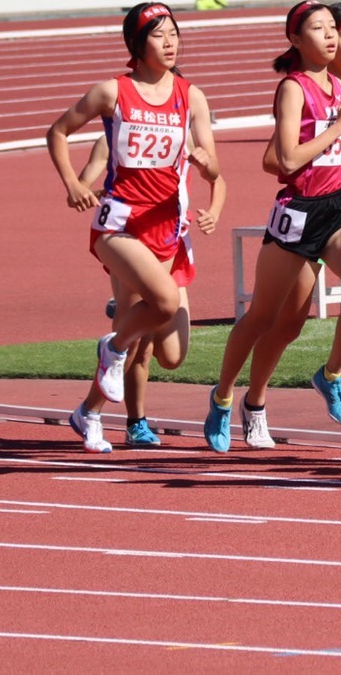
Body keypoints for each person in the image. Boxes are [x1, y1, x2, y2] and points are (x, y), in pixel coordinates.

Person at [203, 0, 341, 451]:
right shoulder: (293, 89)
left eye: (332, 29)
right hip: (298, 213)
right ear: (296, 40)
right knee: (273, 321)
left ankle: (332, 374)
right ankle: (229, 399)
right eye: (318, 29)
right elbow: (285, 160)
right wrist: (338, 128)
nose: (331, 36)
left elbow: (339, 149)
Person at [45, 2, 220, 451]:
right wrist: (72, 183)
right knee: (155, 307)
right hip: (120, 226)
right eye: (159, 35)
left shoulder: (191, 95)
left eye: (175, 33)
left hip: (169, 231)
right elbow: (59, 130)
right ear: (137, 46)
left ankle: (88, 411)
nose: (171, 42)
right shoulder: (113, 92)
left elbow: (214, 163)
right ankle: (116, 364)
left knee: (172, 354)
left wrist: (205, 163)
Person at [68, 130, 226, 450]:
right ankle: (120, 419)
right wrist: (94, 193)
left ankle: (131, 315)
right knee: (140, 345)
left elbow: (217, 179)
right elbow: (82, 188)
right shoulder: (113, 138)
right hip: (133, 241)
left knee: (172, 355)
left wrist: (214, 211)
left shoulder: (182, 136)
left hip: (175, 245)